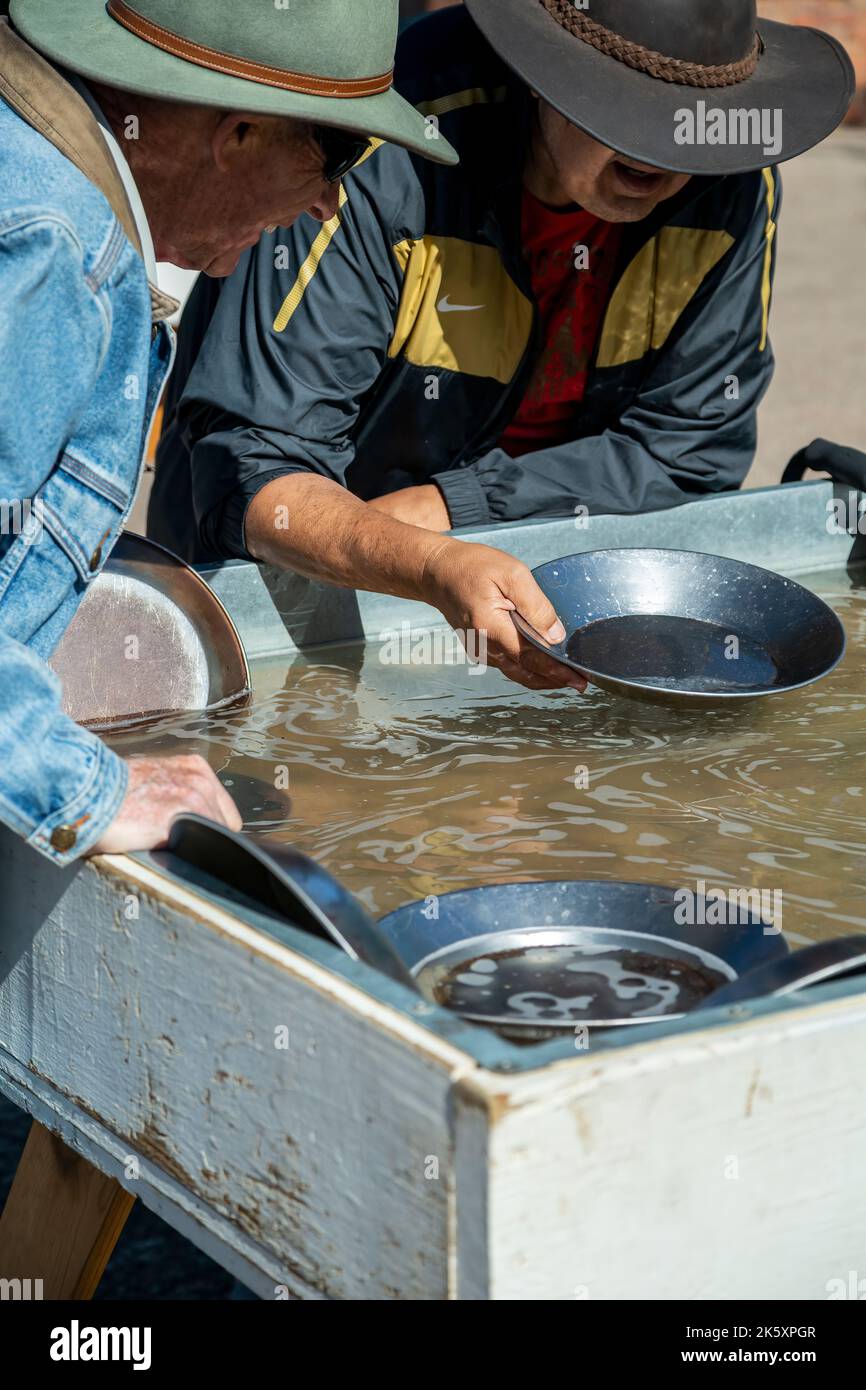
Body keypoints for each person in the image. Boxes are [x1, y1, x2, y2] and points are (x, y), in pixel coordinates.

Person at [150, 0, 853, 661]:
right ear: (542, 75)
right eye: (637, 115)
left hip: (549, 602)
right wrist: (420, 559)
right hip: (288, 614)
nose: (671, 158)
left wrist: (454, 510)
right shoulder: (376, 142)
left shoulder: (732, 181)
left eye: (694, 124)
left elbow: (689, 456)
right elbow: (258, 475)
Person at [0, 0, 458, 865]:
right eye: (337, 153)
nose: (332, 205)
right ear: (239, 132)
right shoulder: (50, 251)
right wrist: (84, 788)